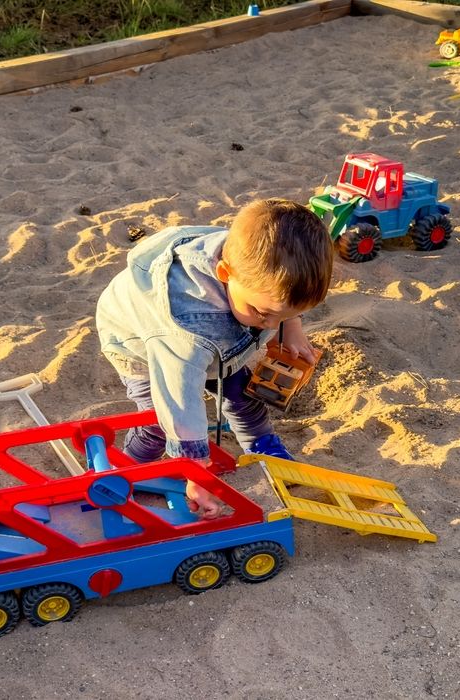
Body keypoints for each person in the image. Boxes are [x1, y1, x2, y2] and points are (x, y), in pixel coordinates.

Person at [95, 198, 333, 518]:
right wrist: (196, 472)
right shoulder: (186, 332)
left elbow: (278, 301)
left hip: (219, 341)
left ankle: (261, 445)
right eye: (264, 314)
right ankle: (126, 469)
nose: (271, 326)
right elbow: (179, 401)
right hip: (137, 344)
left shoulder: (252, 265)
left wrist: (292, 324)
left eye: (284, 315)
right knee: (158, 422)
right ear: (225, 272)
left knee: (241, 395)